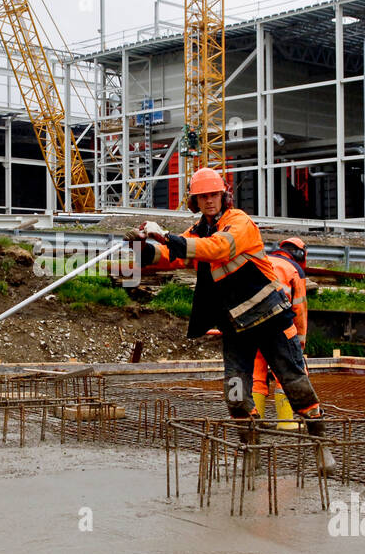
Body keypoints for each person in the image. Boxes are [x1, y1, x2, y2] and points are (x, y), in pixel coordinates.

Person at [125, 168, 332, 459]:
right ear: (195, 201)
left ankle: (321, 447)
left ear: (224, 196)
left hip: (270, 318)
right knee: (235, 394)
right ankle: (251, 453)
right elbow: (172, 255)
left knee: (295, 382)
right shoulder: (198, 231)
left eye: (214, 195)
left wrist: (166, 236)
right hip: (236, 326)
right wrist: (143, 248)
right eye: (203, 197)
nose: (209, 201)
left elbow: (218, 248)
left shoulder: (239, 222)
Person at [252, 239, 309, 428]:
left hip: (252, 325)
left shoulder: (262, 261)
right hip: (280, 327)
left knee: (256, 373)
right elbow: (299, 311)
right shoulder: (294, 270)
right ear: (300, 255)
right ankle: (286, 421)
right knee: (287, 372)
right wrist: (299, 345)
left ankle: (254, 420)